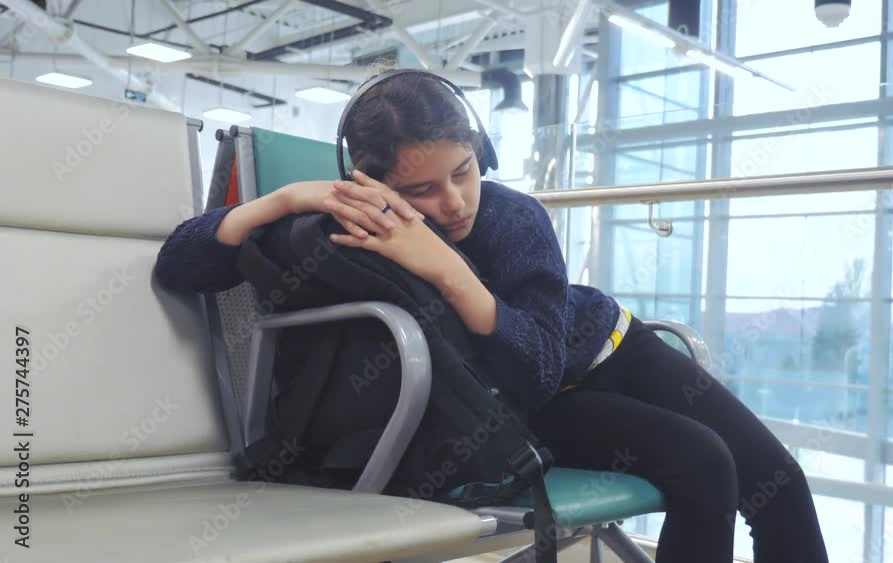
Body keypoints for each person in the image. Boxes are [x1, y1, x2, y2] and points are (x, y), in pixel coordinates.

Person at [154, 67, 829, 563]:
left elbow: (541, 347)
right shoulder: (351, 227)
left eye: (466, 171)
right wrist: (280, 201)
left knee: (781, 482)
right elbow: (179, 267)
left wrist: (445, 267)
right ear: (368, 180)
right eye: (421, 188)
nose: (453, 202)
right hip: (529, 401)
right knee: (705, 463)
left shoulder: (511, 216)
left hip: (608, 348)